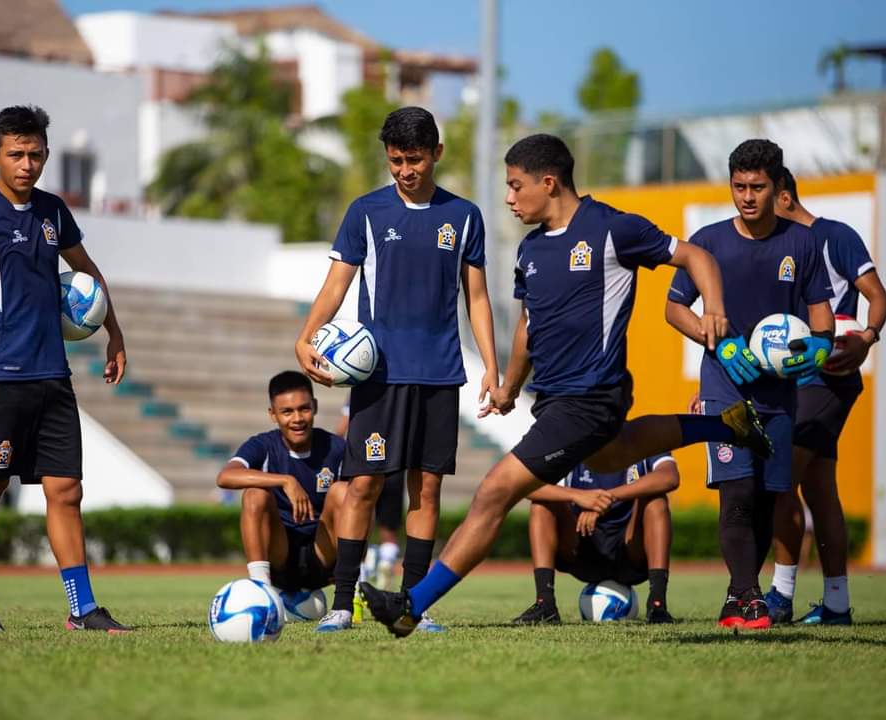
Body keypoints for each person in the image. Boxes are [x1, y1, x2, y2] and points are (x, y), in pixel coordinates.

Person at [360, 133, 771, 638]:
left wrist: (716, 312)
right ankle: (725, 426)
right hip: (556, 401)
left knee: (494, 492)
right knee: (609, 455)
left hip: (590, 396)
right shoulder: (530, 249)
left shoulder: (613, 229)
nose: (509, 198)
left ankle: (410, 605)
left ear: (548, 182)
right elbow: (529, 328)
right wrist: (510, 385)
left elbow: (699, 259)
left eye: (515, 186)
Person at [295, 107, 499, 633]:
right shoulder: (365, 211)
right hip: (378, 376)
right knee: (362, 485)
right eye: (395, 161)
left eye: (414, 159)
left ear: (437, 153)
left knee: (426, 489)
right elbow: (336, 284)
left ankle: (414, 603)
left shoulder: (465, 216)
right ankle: (343, 603)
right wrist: (304, 335)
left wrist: (492, 370)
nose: (405, 170)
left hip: (440, 374)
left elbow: (476, 298)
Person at [0, 105, 130, 633]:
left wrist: (114, 332)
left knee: (66, 490)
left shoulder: (52, 211)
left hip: (54, 377)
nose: (26, 164)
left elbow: (88, 273)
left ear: (46, 154)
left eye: (35, 154)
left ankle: (82, 608)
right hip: (0, 377)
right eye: (15, 154)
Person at [667, 141, 835, 630]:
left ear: (777, 187)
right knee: (736, 490)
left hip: (779, 396)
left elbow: (822, 322)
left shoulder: (802, 245)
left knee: (767, 497)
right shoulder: (709, 242)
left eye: (757, 187)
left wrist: (819, 349)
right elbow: (674, 309)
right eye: (739, 186)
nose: (747, 196)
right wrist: (717, 343)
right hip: (724, 387)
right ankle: (750, 596)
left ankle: (736, 599)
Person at [764, 168, 886, 625]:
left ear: (784, 196)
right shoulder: (775, 250)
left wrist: (868, 336)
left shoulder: (835, 236)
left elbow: (878, 296)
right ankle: (836, 604)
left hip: (829, 376)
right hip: (792, 381)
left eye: (760, 192)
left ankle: (778, 596)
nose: (750, 205)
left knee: (777, 477)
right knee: (819, 490)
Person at [217, 371, 347, 616]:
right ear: (273, 415)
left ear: (315, 407)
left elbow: (362, 505)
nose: (297, 418)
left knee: (345, 492)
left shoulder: (336, 447)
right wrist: (285, 481)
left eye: (303, 409)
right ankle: (262, 593)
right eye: (287, 412)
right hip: (279, 556)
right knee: (255, 494)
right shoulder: (263, 446)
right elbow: (225, 476)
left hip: (323, 556)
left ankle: (350, 591)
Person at [512, 452, 679, 626]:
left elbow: (670, 476)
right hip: (583, 545)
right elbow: (528, 486)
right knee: (541, 503)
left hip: (632, 551)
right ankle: (544, 604)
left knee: (656, 500)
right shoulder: (571, 443)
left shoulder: (644, 437)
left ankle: (657, 605)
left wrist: (606, 498)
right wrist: (576, 496)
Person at [336, 398, 402, 592]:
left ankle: (361, 576)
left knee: (361, 519)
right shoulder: (403, 391)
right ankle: (387, 563)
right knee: (389, 529)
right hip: (395, 463)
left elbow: (343, 427)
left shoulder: (364, 385)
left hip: (367, 462)